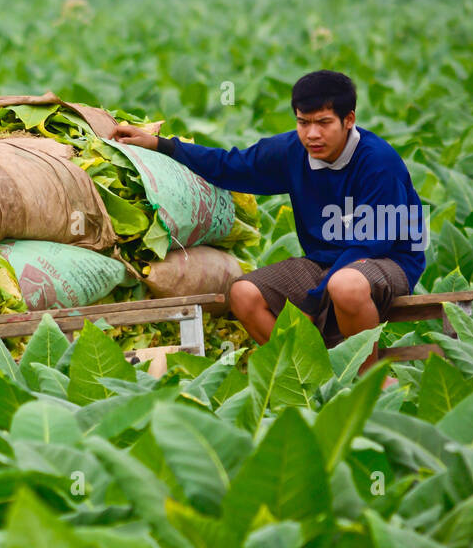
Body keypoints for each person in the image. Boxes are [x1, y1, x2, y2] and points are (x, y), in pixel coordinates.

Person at [110, 71, 425, 379]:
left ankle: (372, 380)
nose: (312, 134)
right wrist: (161, 145)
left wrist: (314, 300)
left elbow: (373, 243)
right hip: (323, 262)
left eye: (324, 123)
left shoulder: (378, 162)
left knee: (345, 285)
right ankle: (308, 375)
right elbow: (231, 166)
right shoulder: (292, 151)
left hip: (386, 260)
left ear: (349, 120)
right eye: (304, 122)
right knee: (244, 294)